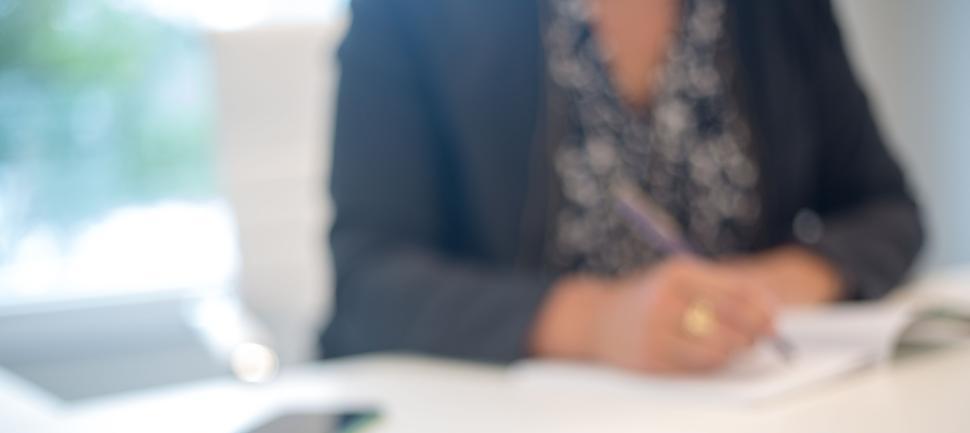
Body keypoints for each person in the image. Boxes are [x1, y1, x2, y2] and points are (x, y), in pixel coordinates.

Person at [321, 0, 923, 373]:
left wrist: (763, 289)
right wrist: (597, 323)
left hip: (741, 420)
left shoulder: (776, 12)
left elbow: (887, 210)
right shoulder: (410, 13)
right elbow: (369, 279)